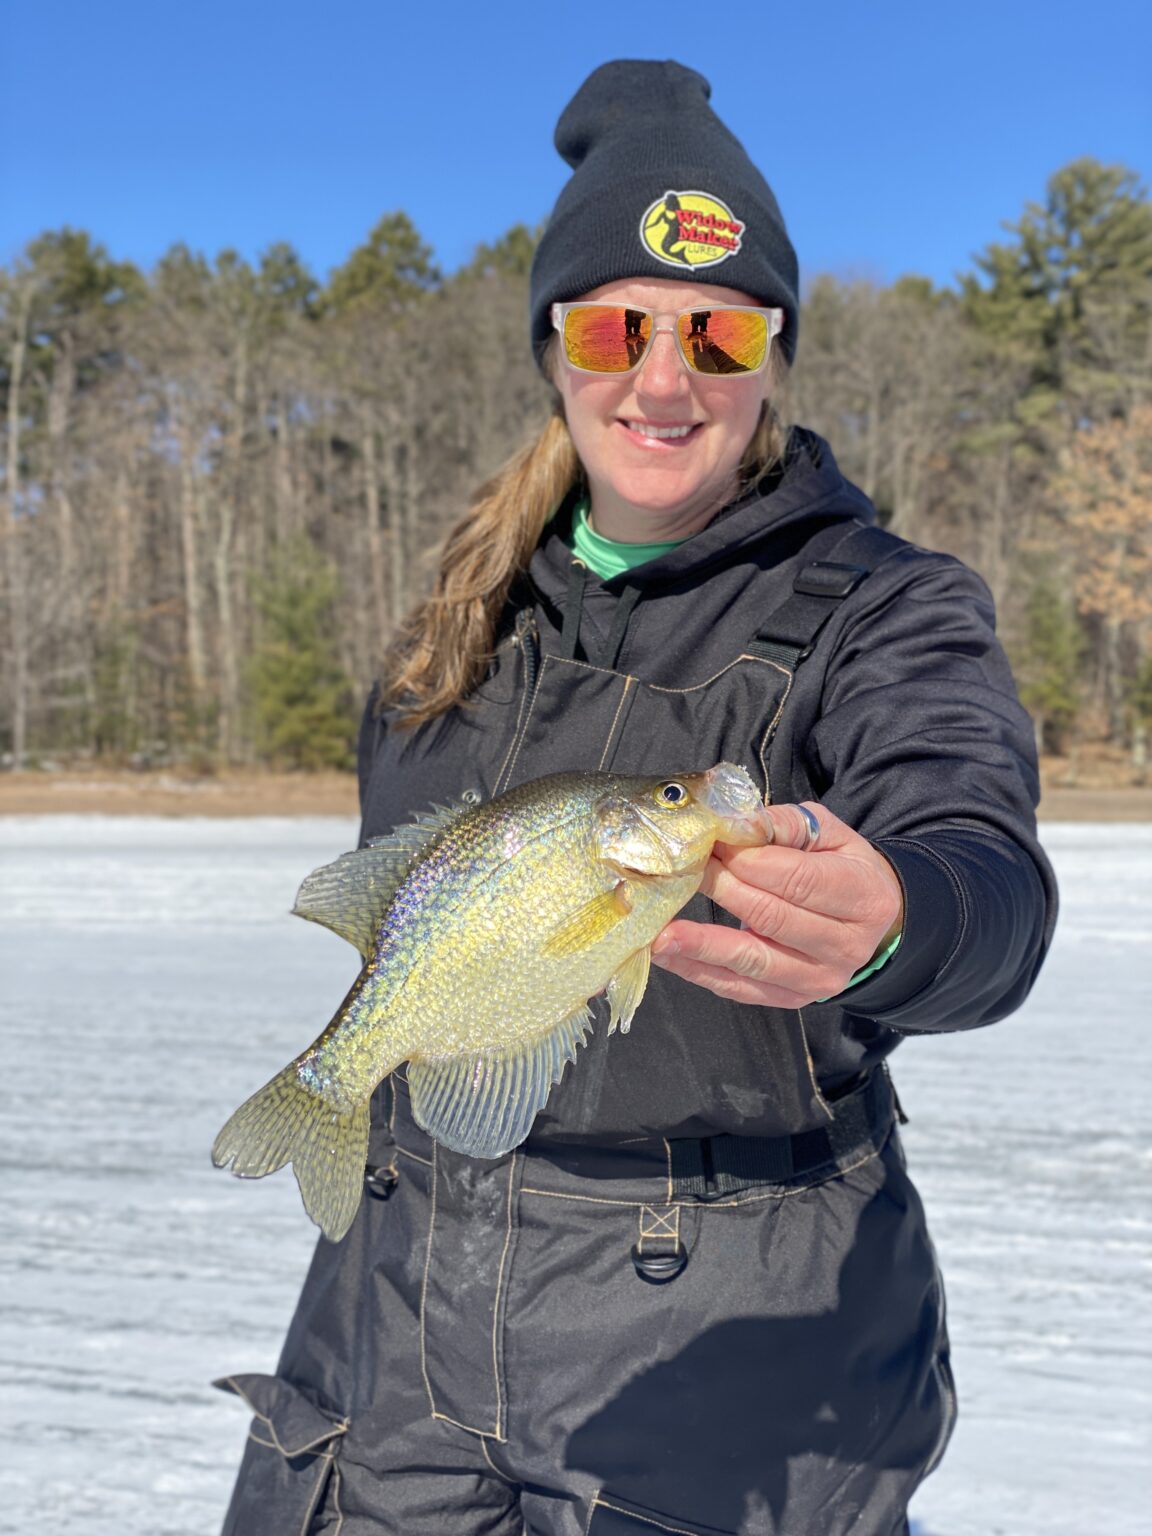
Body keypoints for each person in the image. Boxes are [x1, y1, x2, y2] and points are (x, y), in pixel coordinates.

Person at [216, 60, 1057, 1536]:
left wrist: (899, 920)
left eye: (718, 333)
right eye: (615, 329)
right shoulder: (453, 630)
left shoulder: (889, 610)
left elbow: (982, 877)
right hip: (390, 1334)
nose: (663, 382)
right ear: (555, 351)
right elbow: (418, 927)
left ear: (773, 359)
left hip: (722, 1368)